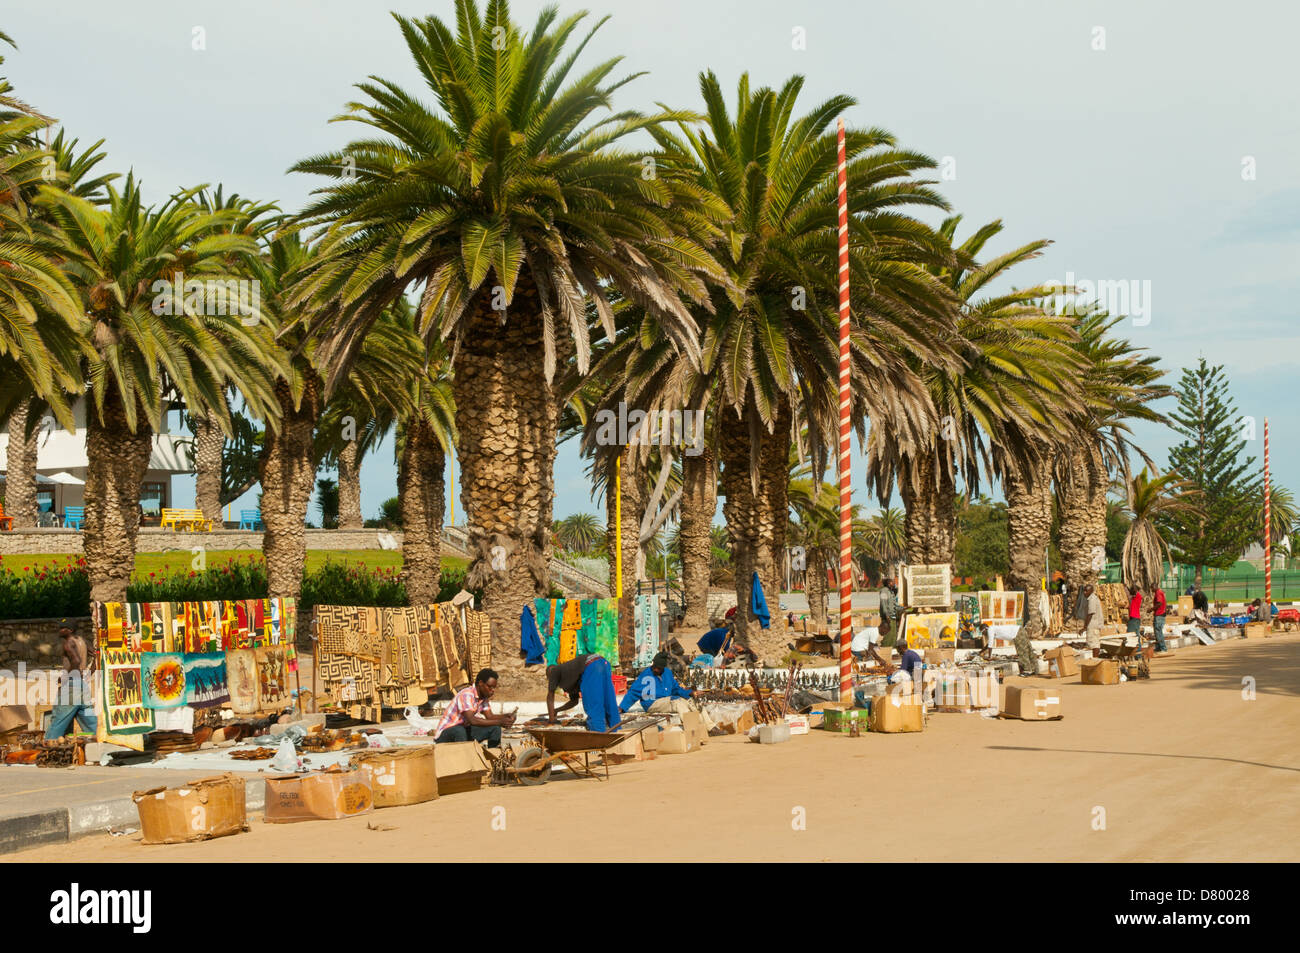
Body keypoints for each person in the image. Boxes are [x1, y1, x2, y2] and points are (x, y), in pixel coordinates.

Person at [434, 668, 515, 747]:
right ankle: (463, 758)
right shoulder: (467, 694)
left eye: (494, 688)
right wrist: (500, 722)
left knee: (495, 728)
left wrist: (506, 717)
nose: (492, 690)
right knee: (459, 730)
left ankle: (493, 756)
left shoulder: (484, 697)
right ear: (480, 683)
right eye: (489, 687)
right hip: (445, 734)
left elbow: (490, 717)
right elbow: (472, 720)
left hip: (463, 731)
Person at [45, 622, 98, 740]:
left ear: (70, 630)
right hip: (82, 686)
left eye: (63, 628)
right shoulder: (82, 641)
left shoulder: (68, 643)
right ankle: (99, 744)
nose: (60, 630)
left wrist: (65, 677)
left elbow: (76, 661)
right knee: (90, 722)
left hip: (71, 685)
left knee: (59, 719)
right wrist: (89, 674)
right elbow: (97, 655)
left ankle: (47, 748)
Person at [546, 654, 621, 732]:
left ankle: (598, 735)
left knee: (594, 706)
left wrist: (551, 720)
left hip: (591, 666)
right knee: (609, 702)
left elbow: (550, 697)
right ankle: (617, 732)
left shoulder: (554, 670)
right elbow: (574, 702)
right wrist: (556, 710)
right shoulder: (568, 677)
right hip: (603, 662)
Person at [619, 652, 696, 713]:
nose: (656, 670)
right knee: (677, 702)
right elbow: (633, 692)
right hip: (651, 704)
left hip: (666, 702)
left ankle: (706, 727)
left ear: (663, 667)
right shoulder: (646, 675)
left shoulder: (668, 673)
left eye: (659, 668)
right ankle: (690, 727)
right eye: (654, 667)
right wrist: (622, 707)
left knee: (690, 702)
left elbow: (676, 689)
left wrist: (689, 693)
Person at [1083, 584, 1105, 656]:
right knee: (1094, 644)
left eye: (1086, 591)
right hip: (1094, 624)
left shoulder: (1092, 600)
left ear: (1091, 591)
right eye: (1084, 590)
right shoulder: (1093, 598)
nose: (1084, 592)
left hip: (1093, 625)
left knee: (1095, 644)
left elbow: (1090, 614)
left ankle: (1095, 660)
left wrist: (1084, 627)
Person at [1151, 586, 1168, 652]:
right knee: (1157, 632)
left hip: (1159, 614)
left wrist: (1151, 609)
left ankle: (1163, 648)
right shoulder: (1160, 592)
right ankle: (1159, 647)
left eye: (1152, 588)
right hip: (1160, 614)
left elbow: (1159, 603)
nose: (1151, 589)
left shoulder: (1158, 593)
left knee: (1158, 632)